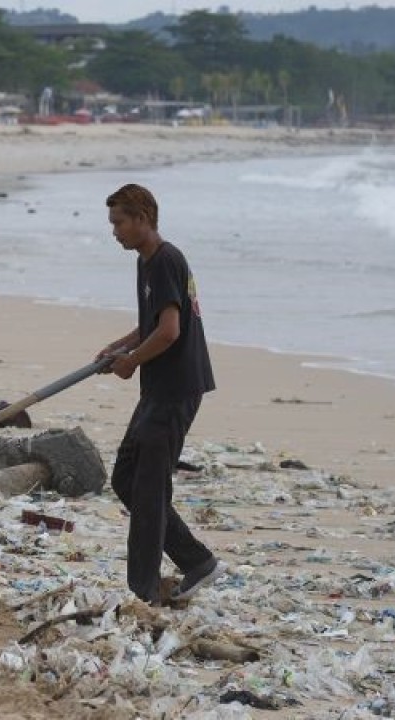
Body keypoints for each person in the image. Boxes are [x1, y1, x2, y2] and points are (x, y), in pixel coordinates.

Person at [95, 183, 224, 605]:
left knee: (149, 489)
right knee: (127, 480)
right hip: (159, 390)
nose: (114, 231)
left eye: (119, 223)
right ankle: (197, 561)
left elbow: (170, 332)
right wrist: (121, 345)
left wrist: (131, 362)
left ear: (142, 219)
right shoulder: (145, 262)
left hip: (176, 389)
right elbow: (152, 325)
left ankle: (142, 592)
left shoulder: (167, 260)